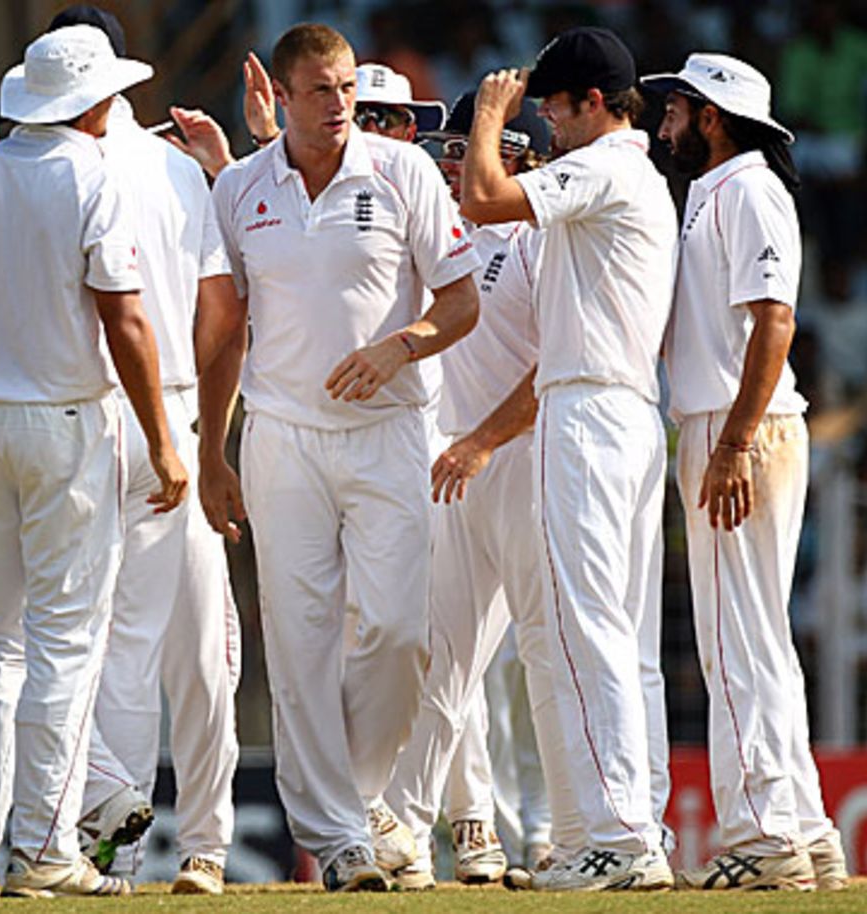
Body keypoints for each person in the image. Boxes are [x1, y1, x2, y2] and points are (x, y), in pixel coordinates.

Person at [0, 25, 187, 897]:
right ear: (91, 102)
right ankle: (44, 849)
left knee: (1, 649)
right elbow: (125, 321)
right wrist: (166, 442)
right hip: (66, 425)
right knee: (64, 646)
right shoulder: (93, 176)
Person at [205, 23, 482, 892]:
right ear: (282, 97)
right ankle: (339, 838)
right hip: (282, 435)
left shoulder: (400, 174)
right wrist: (214, 451)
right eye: (321, 91)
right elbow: (223, 332)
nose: (339, 106)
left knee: (398, 632)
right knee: (299, 640)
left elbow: (462, 300)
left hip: (391, 430)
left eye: (348, 89)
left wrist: (402, 346)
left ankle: (363, 801)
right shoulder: (241, 188)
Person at [459, 27, 677, 890]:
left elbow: (481, 199)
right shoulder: (632, 176)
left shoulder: (610, 164)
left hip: (587, 410)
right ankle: (610, 829)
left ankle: (620, 840)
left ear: (595, 102)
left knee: (584, 629)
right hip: (620, 410)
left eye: (553, 104)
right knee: (609, 633)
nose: (541, 120)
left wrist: (485, 115)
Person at [44, 6, 246, 896]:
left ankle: (131, 848)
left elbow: (221, 309)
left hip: (93, 420)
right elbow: (221, 314)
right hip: (156, 413)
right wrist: (201, 432)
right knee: (188, 647)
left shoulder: (42, 171)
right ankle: (189, 843)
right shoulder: (162, 169)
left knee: (121, 643)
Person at [646, 53, 849, 892]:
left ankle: (765, 837)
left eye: (677, 109)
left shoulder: (750, 186)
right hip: (730, 424)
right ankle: (803, 828)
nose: (664, 123)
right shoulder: (715, 190)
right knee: (754, 639)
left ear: (713, 116)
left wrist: (730, 444)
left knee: (737, 643)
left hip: (744, 430)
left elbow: (774, 322)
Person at [382, 91, 568, 891]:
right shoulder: (447, 238)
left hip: (521, 465)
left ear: (519, 157)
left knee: (545, 654)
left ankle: (569, 837)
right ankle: (405, 833)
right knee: (442, 660)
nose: (450, 161)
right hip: (457, 468)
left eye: (466, 147)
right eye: (448, 147)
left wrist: (483, 442)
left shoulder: (543, 239)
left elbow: (554, 365)